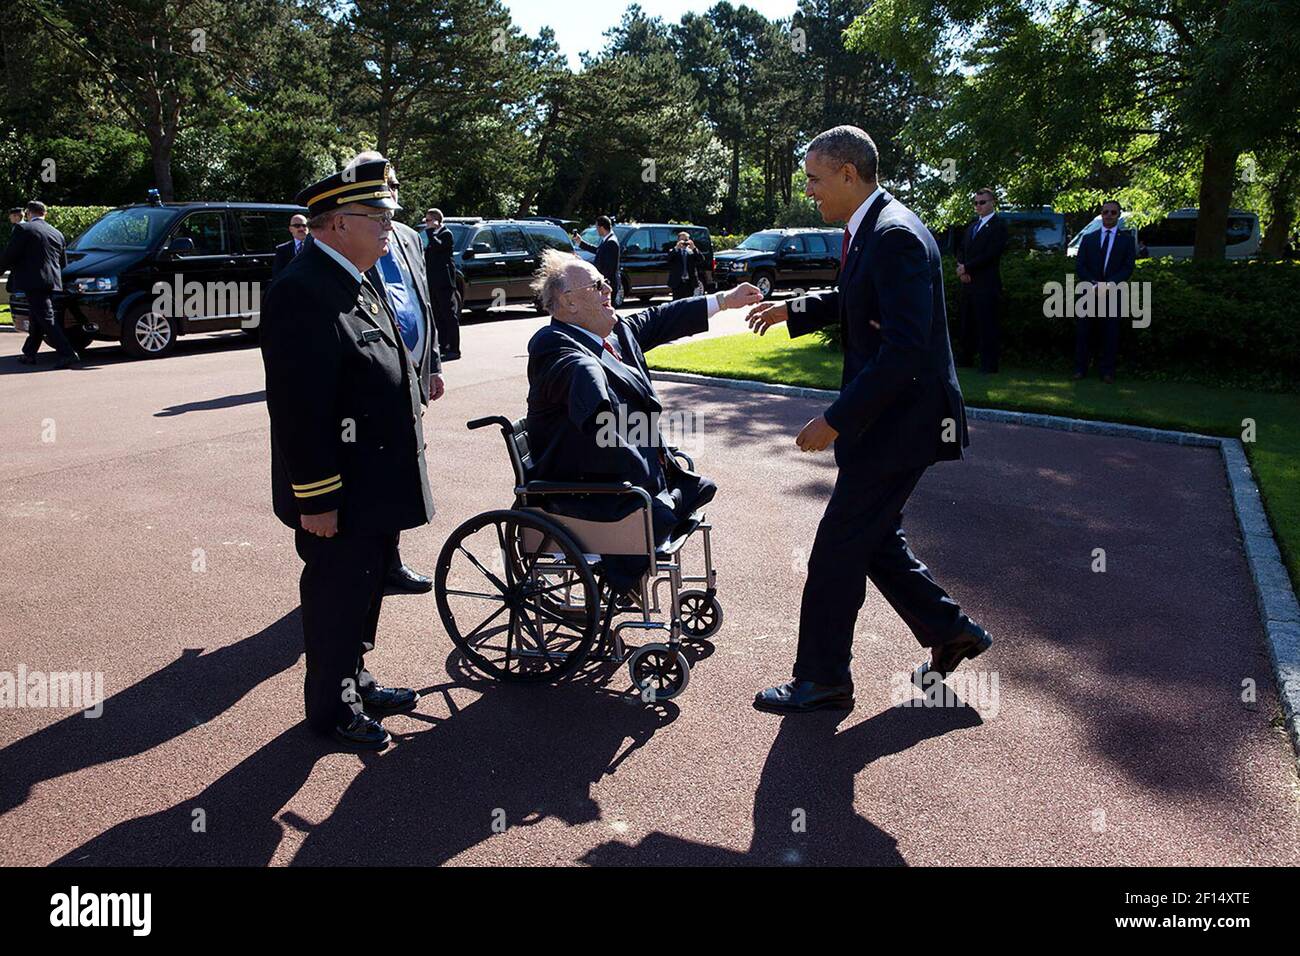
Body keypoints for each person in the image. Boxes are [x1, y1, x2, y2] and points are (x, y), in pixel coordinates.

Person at [746, 125, 992, 714]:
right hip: (893, 423)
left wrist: (833, 418)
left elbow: (904, 350)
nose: (809, 190)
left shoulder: (894, 235)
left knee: (835, 552)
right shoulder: (878, 226)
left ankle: (822, 679)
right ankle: (951, 630)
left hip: (898, 426)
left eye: (814, 179)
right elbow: (860, 299)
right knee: (874, 540)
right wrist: (794, 309)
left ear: (849, 175)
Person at [259, 158, 432, 750]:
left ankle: (356, 680)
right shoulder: (303, 290)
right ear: (335, 224)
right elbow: (299, 410)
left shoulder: (355, 278)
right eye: (376, 215)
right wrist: (318, 499)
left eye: (388, 213)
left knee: (363, 593)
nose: (389, 224)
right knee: (336, 598)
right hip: (339, 491)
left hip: (373, 482)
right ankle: (332, 710)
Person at [526, 250, 761, 592]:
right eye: (597, 285)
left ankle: (658, 512)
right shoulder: (556, 345)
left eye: (606, 281)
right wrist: (591, 372)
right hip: (583, 486)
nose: (609, 289)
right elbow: (578, 370)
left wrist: (725, 300)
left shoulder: (611, 333)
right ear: (570, 303)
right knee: (665, 508)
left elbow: (661, 318)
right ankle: (629, 569)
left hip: (626, 469)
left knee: (695, 487)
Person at [349, 151, 443, 597]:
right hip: (373, 375)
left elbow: (424, 302)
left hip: (413, 370)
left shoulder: (407, 235)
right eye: (382, 189)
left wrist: (434, 364)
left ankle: (389, 561)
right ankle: (370, 564)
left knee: (403, 466)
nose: (391, 196)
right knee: (376, 470)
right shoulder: (348, 239)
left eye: (394, 187)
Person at [2, 201, 77, 368]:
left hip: (33, 281)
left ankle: (68, 353)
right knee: (37, 317)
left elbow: (9, 256)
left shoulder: (23, 229)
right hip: (52, 282)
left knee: (46, 318)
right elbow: (62, 263)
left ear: (28, 213)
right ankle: (29, 353)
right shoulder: (57, 233)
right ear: (45, 213)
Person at [1073, 199, 1136, 384]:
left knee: (1110, 334)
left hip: (1113, 294)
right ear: (1101, 214)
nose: (1109, 215)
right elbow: (1080, 266)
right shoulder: (1088, 239)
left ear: (1118, 215)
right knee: (1084, 333)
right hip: (1089, 293)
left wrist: (1109, 284)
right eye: (1106, 212)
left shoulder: (1127, 240)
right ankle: (1080, 369)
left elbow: (1128, 267)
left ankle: (1107, 372)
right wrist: (1092, 283)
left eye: (1113, 212)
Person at [955, 188, 1008, 373]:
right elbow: (961, 249)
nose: (978, 206)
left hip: (986, 285)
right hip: (969, 284)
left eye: (982, 202)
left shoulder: (998, 226)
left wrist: (968, 268)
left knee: (987, 325)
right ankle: (965, 359)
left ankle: (989, 364)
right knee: (966, 323)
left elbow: (991, 254)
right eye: (976, 203)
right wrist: (961, 268)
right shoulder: (971, 227)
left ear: (992, 202)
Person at [423, 207, 459, 360]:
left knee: (449, 315)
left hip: (444, 281)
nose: (426, 223)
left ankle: (454, 348)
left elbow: (438, 247)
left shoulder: (445, 234)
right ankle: (443, 345)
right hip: (432, 280)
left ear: (437, 220)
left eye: (429, 220)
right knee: (438, 315)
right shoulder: (430, 236)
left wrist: (431, 232)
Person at [572, 216, 621, 297]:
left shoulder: (611, 242)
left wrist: (601, 282)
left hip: (608, 285)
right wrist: (580, 242)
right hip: (605, 284)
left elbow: (609, 268)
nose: (596, 230)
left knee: (608, 309)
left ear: (601, 228)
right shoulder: (607, 239)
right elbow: (598, 251)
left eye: (597, 227)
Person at [667, 231, 705, 300]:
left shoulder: (692, 251)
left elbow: (701, 260)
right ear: (678, 241)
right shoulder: (673, 251)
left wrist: (694, 248)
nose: (684, 242)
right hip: (677, 283)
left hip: (690, 282)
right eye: (682, 240)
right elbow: (668, 259)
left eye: (686, 240)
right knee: (677, 304)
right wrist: (676, 248)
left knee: (688, 304)